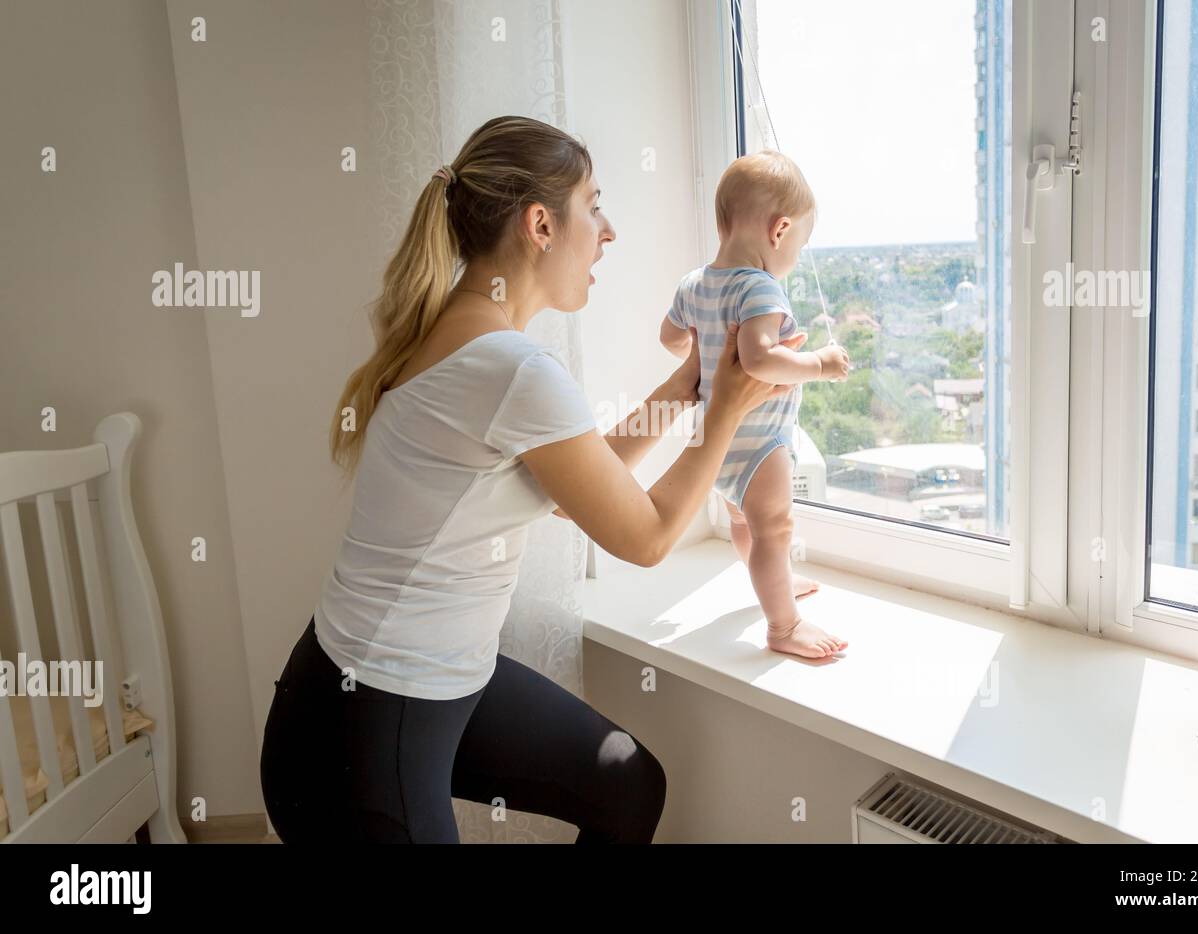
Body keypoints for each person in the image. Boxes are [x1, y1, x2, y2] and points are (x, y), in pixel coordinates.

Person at [259, 115, 802, 843]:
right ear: (541, 224)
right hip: (362, 733)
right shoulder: (513, 368)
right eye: (595, 205)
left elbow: (576, 488)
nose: (608, 231)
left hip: (418, 684)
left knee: (625, 783)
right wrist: (729, 409)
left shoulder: (458, 328)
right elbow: (643, 538)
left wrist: (688, 385)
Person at [660, 150, 850, 659]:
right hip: (760, 440)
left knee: (746, 526)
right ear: (780, 229)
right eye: (801, 244)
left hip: (716, 440)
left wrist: (701, 354)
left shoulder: (694, 283)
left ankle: (776, 582)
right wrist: (819, 364)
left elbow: (671, 337)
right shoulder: (760, 287)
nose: (795, 256)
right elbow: (760, 359)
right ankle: (784, 626)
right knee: (775, 527)